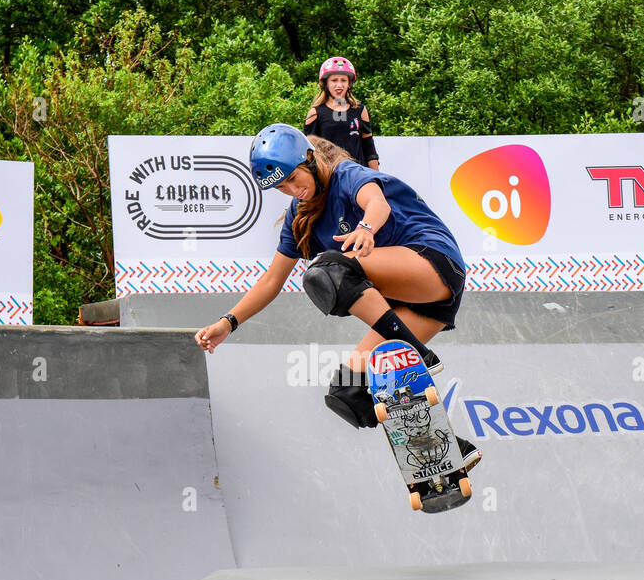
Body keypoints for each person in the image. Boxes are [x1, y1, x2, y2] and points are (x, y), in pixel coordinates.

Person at [195, 124, 479, 470]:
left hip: (433, 265)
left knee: (328, 270)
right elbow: (272, 279)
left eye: (294, 178)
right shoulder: (299, 218)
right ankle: (443, 448)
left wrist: (366, 228)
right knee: (349, 392)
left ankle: (419, 352)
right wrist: (229, 322)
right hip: (415, 307)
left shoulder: (347, 175)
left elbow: (376, 203)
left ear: (311, 161)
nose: (292, 190)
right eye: (282, 187)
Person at [303, 56, 379, 170]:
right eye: (334, 80)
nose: (339, 85)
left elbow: (369, 149)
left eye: (343, 80)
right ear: (325, 84)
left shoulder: (360, 110)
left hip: (359, 176)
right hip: (331, 178)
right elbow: (309, 154)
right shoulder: (315, 113)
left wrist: (377, 177)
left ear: (349, 84)